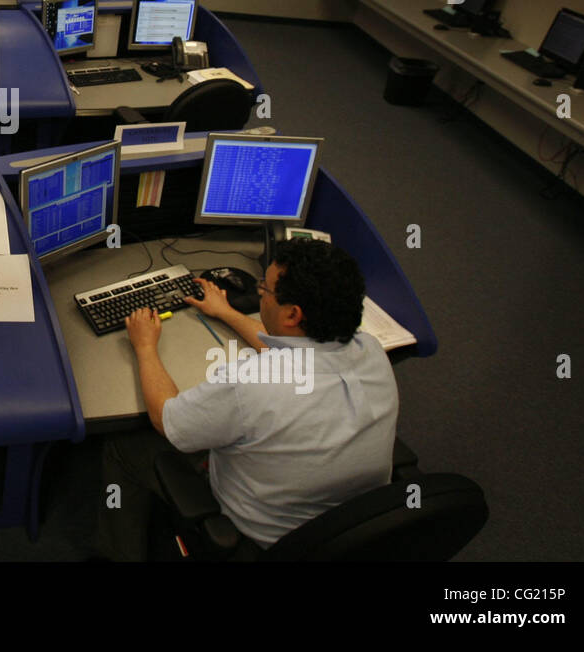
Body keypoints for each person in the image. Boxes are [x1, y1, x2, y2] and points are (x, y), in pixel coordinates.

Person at [97, 238, 399, 561]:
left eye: (264, 290)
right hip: (348, 529)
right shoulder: (371, 351)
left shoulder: (251, 383)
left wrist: (144, 346)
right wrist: (226, 312)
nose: (259, 293)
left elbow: (166, 419)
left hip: (261, 541)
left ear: (293, 314)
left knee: (122, 448)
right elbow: (299, 354)